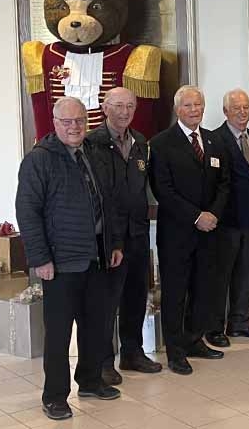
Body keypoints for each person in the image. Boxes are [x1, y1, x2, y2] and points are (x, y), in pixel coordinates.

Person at [16, 96, 124, 420]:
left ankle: (90, 381)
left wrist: (114, 243)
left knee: (95, 326)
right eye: (67, 122)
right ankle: (55, 396)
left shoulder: (92, 152)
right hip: (60, 263)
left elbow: (108, 202)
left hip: (96, 257)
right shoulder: (39, 160)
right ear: (55, 123)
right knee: (60, 333)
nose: (75, 127)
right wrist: (40, 258)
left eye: (79, 120)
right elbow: (28, 212)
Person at [149, 85, 230, 375]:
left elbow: (224, 183)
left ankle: (194, 339)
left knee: (203, 289)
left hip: (209, 232)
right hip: (177, 234)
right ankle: (175, 351)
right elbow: (163, 191)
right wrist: (196, 216)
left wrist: (213, 214)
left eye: (198, 105)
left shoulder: (213, 141)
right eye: (188, 106)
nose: (194, 110)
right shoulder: (160, 144)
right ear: (177, 109)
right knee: (175, 293)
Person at [86, 87, 162, 386]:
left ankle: (133, 353)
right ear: (105, 107)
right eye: (118, 105)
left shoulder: (141, 142)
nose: (124, 111)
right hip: (109, 236)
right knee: (107, 302)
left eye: (130, 105)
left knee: (135, 296)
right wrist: (111, 236)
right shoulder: (93, 143)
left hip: (138, 233)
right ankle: (104, 361)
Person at [205, 89, 249, 348]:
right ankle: (214, 328)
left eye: (246, 107)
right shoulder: (214, 140)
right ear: (225, 112)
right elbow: (213, 183)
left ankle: (240, 322)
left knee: (245, 274)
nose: (243, 113)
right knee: (221, 277)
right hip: (227, 222)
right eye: (236, 109)